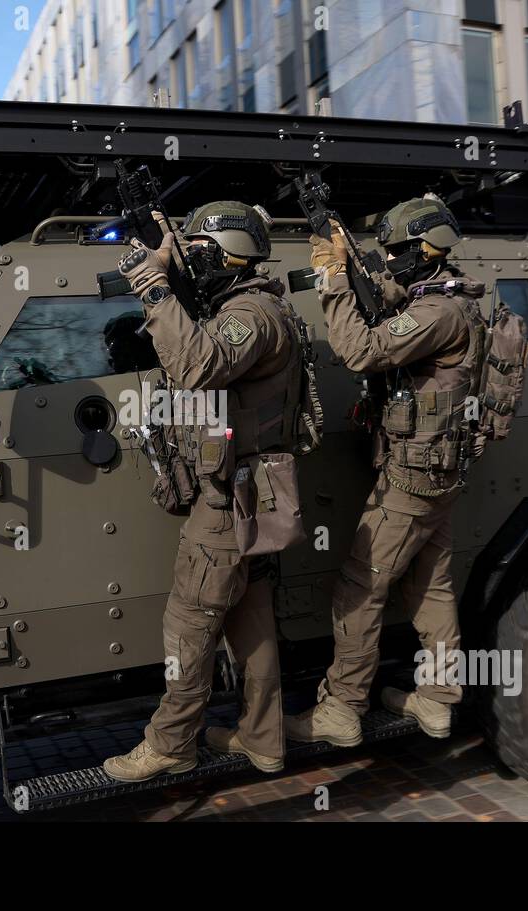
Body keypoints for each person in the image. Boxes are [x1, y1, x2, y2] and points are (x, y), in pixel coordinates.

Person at [102, 202, 309, 781]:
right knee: (251, 622)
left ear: (227, 254)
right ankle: (263, 740)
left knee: (189, 623)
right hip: (248, 497)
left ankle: (171, 745)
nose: (190, 258)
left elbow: (198, 364)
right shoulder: (246, 306)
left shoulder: (254, 314)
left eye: (198, 249)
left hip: (228, 504)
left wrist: (151, 280)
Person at [285, 196, 485, 744]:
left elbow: (362, 350)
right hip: (439, 470)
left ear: (428, 248)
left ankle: (342, 708)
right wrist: (352, 258)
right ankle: (440, 700)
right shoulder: (447, 294)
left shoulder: (439, 314)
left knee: (359, 585)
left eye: (399, 252)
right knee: (431, 585)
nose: (393, 261)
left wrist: (331, 277)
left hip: (413, 476)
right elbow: (394, 296)